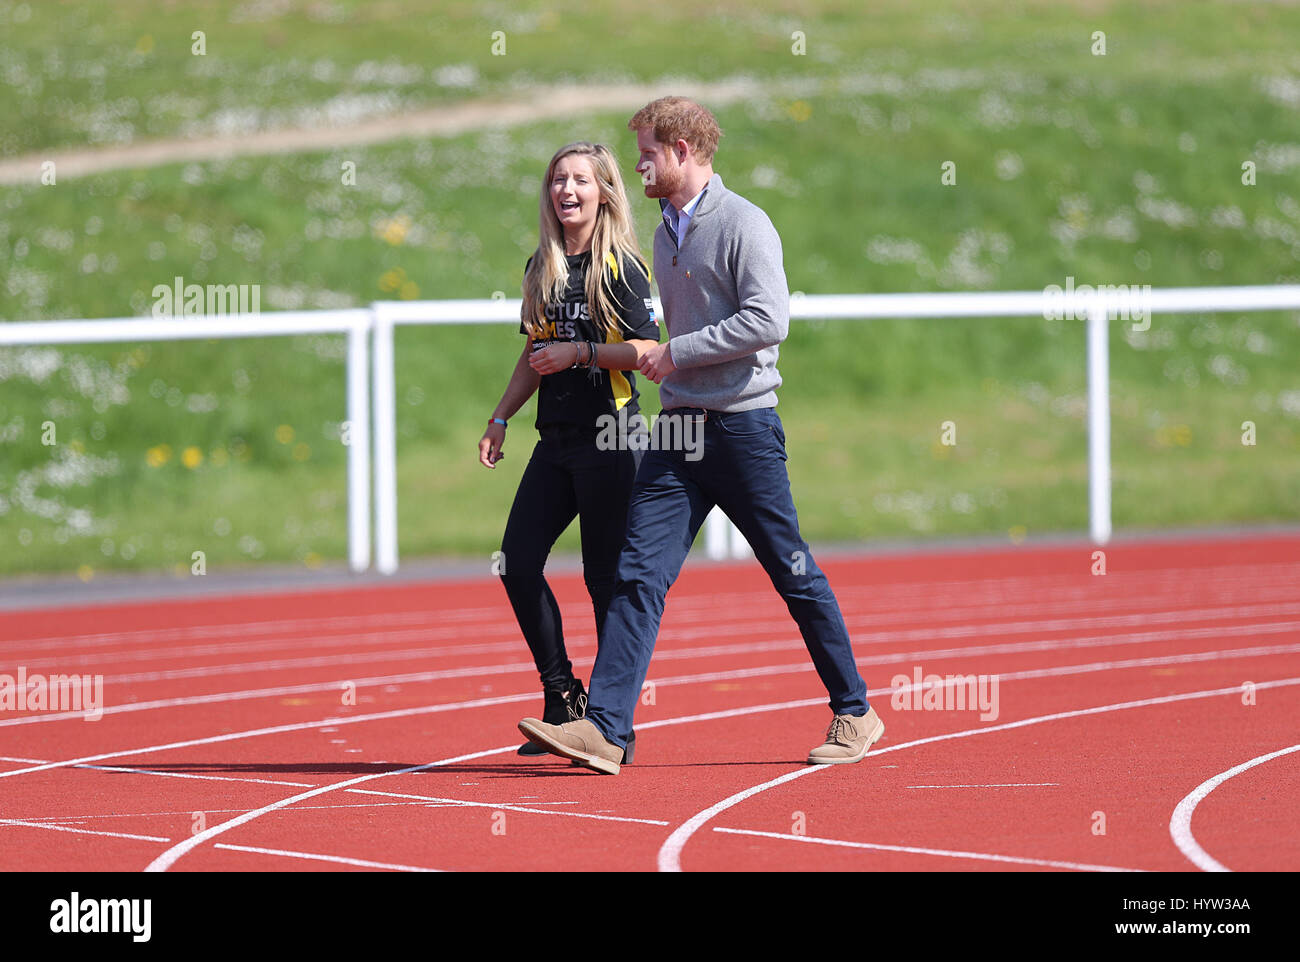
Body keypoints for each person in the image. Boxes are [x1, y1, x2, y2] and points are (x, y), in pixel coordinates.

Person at [519, 98, 883, 774]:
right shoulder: (663, 233)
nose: (638, 166)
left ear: (683, 151)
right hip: (678, 429)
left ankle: (855, 710)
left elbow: (770, 321)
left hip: (743, 428)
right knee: (636, 575)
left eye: (649, 152)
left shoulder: (746, 223)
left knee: (792, 571)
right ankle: (606, 729)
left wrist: (677, 352)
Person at [480, 141, 660, 758]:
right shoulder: (543, 266)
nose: (567, 190)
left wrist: (580, 354)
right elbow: (533, 355)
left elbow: (647, 353)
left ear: (604, 191)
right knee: (518, 562)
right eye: (559, 180)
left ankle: (612, 727)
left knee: (603, 580)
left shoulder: (623, 268)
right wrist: (500, 416)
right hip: (553, 442)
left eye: (581, 180)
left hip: (613, 437)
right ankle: (562, 697)